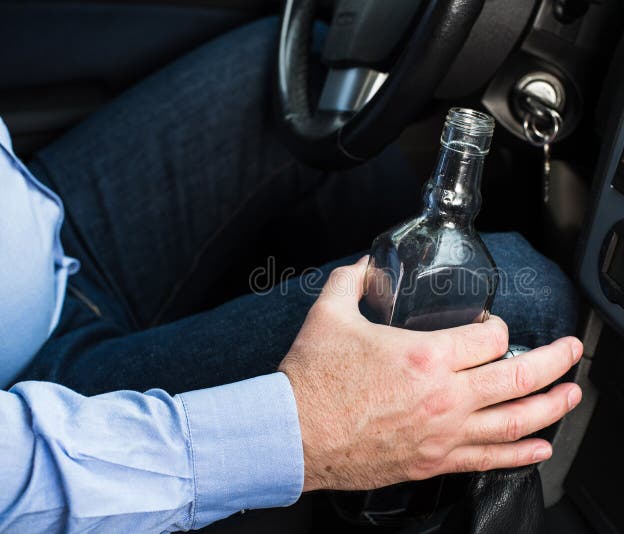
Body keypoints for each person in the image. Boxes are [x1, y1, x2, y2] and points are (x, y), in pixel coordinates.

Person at [0, 17, 582, 533]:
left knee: (313, 84)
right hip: (40, 397)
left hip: (44, 226)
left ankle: (383, 455)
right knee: (522, 299)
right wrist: (309, 432)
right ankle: (379, 489)